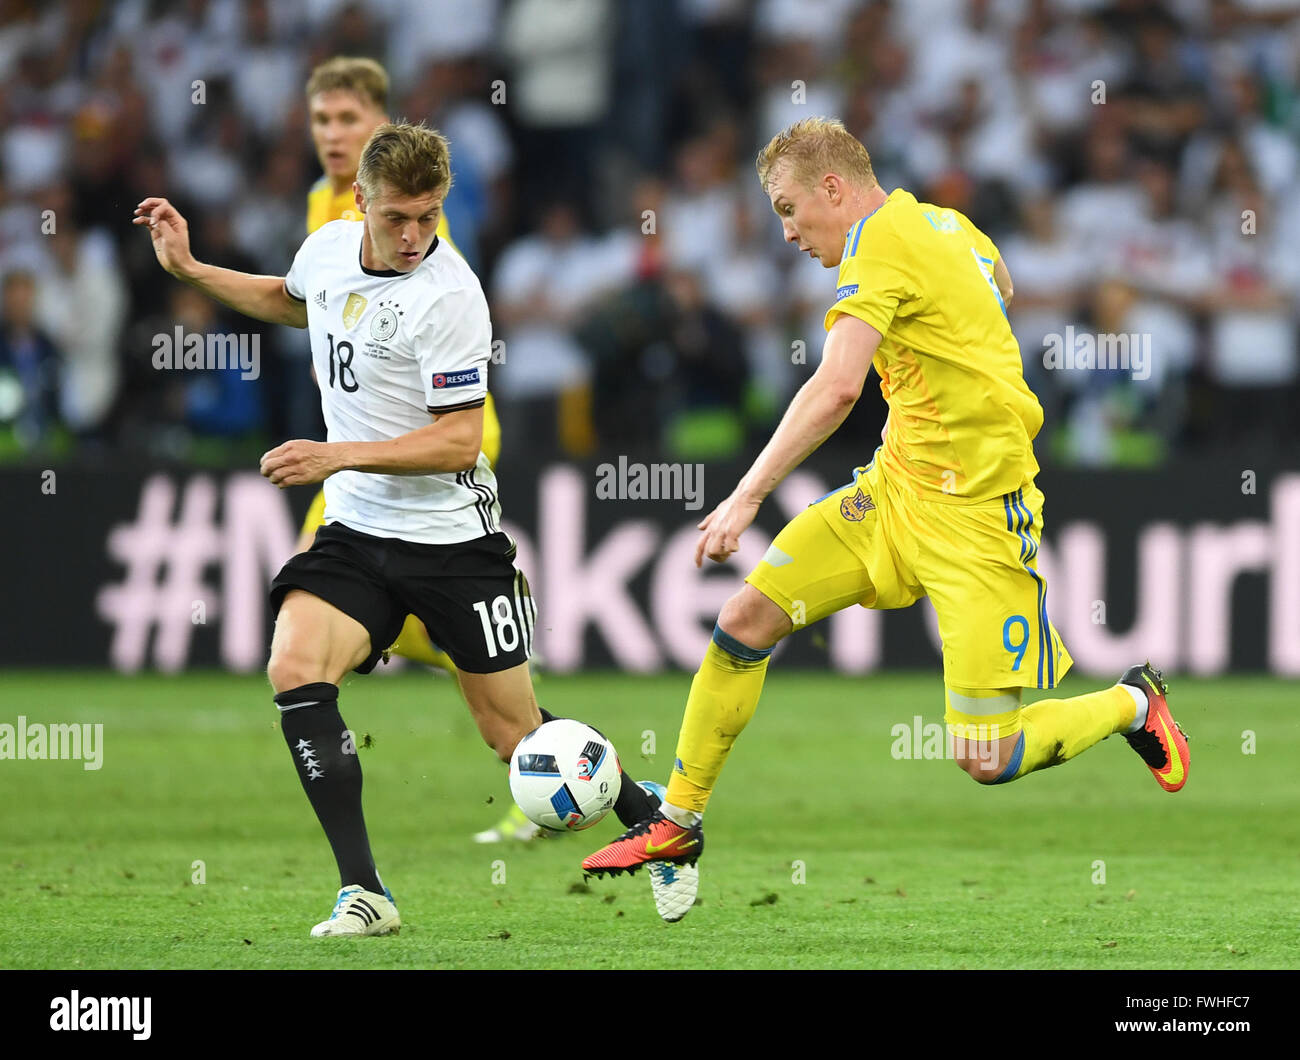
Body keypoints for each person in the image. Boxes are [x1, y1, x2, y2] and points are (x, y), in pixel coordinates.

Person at [581, 117, 1190, 920]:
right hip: (894, 493)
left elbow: (836, 388)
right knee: (747, 618)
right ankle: (678, 822)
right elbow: (998, 283)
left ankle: (1131, 704)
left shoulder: (881, 246)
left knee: (987, 757)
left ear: (833, 188)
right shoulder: (945, 221)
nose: (789, 232)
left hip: (978, 518)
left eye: (789, 209)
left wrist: (748, 493)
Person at [134, 121, 682, 935]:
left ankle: (660, 831)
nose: (414, 236)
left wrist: (335, 455)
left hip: (455, 538)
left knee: (515, 735)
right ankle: (366, 892)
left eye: (428, 217)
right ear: (360, 201)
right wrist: (189, 268)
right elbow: (293, 303)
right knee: (294, 664)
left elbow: (459, 439)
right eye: (397, 218)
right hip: (358, 530)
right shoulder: (325, 249)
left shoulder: (452, 295)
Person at [299, 56, 531, 844]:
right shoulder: (324, 214)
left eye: (349, 122)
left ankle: (533, 734)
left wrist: (341, 454)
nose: (334, 136)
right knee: (330, 643)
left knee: (402, 630)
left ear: (379, 131)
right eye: (323, 121)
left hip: (433, 446)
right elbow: (320, 305)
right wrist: (193, 269)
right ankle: (537, 748)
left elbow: (450, 411)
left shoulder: (421, 237)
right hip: (364, 454)